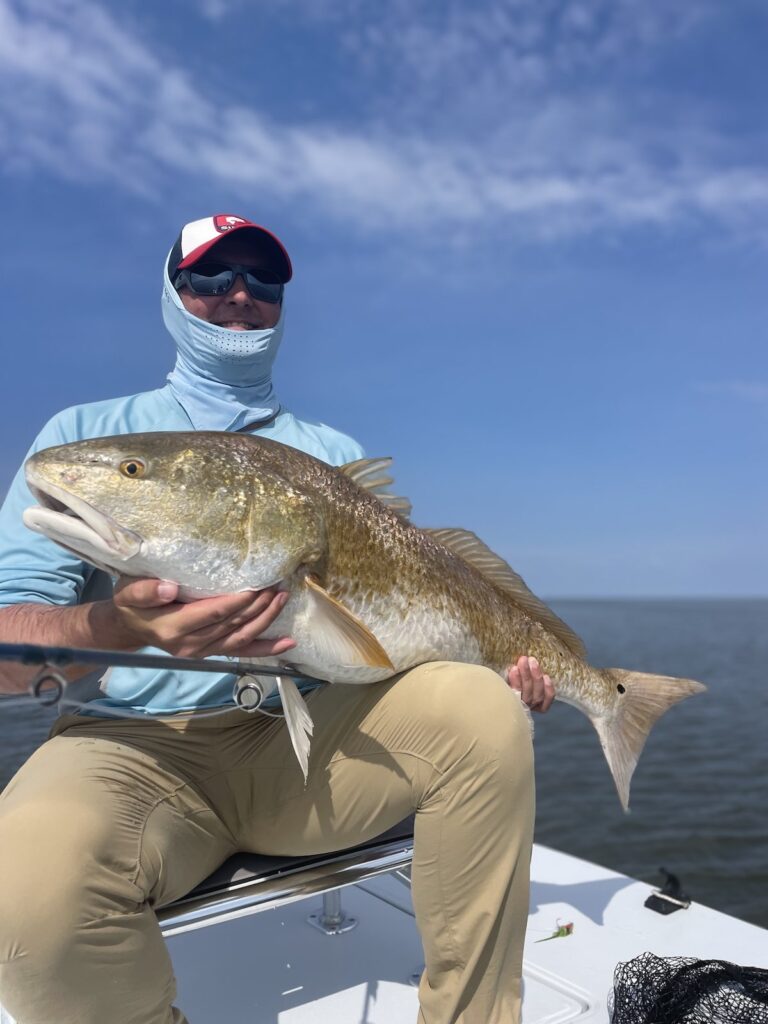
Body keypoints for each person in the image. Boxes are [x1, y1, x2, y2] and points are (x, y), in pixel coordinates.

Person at [0, 213, 554, 1024]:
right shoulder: (80, 438)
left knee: (482, 709)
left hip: (303, 745)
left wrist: (490, 664)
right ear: (171, 292)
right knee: (24, 893)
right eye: (209, 278)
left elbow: (389, 628)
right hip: (130, 753)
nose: (238, 297)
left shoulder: (328, 452)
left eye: (264, 283)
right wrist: (115, 630)